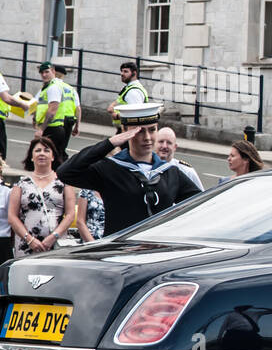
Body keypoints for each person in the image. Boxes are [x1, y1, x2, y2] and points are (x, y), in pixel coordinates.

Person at [56, 102, 201, 235]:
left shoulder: (170, 171)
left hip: (157, 254)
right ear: (125, 131)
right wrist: (109, 143)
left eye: (152, 130)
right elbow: (66, 172)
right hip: (120, 253)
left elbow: (203, 204)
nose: (148, 137)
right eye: (140, 131)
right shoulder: (110, 168)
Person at [9, 136, 77, 257]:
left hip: (56, 244)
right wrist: (29, 239)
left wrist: (54, 236)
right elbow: (12, 216)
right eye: (37, 150)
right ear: (31, 157)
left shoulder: (64, 182)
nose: (42, 154)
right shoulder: (21, 183)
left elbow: (70, 214)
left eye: (46, 150)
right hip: (27, 245)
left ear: (53, 157)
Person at [33, 62, 75, 161]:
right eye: (42, 73)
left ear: (53, 71)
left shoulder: (53, 87)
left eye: (47, 72)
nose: (44, 75)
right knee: (52, 159)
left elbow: (52, 111)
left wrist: (41, 129)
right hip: (51, 128)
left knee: (51, 160)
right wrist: (35, 119)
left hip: (53, 129)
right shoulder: (47, 87)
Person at [107, 61, 149, 129]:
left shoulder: (133, 91)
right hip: (125, 128)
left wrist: (116, 116)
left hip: (128, 130)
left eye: (126, 71)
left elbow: (135, 114)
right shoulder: (130, 88)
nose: (122, 74)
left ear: (134, 73)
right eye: (122, 71)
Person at [54, 65, 81, 137]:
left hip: (56, 119)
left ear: (53, 72)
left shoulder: (51, 86)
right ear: (63, 76)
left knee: (49, 144)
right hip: (69, 120)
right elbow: (78, 109)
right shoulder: (71, 89)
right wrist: (77, 126)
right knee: (62, 146)